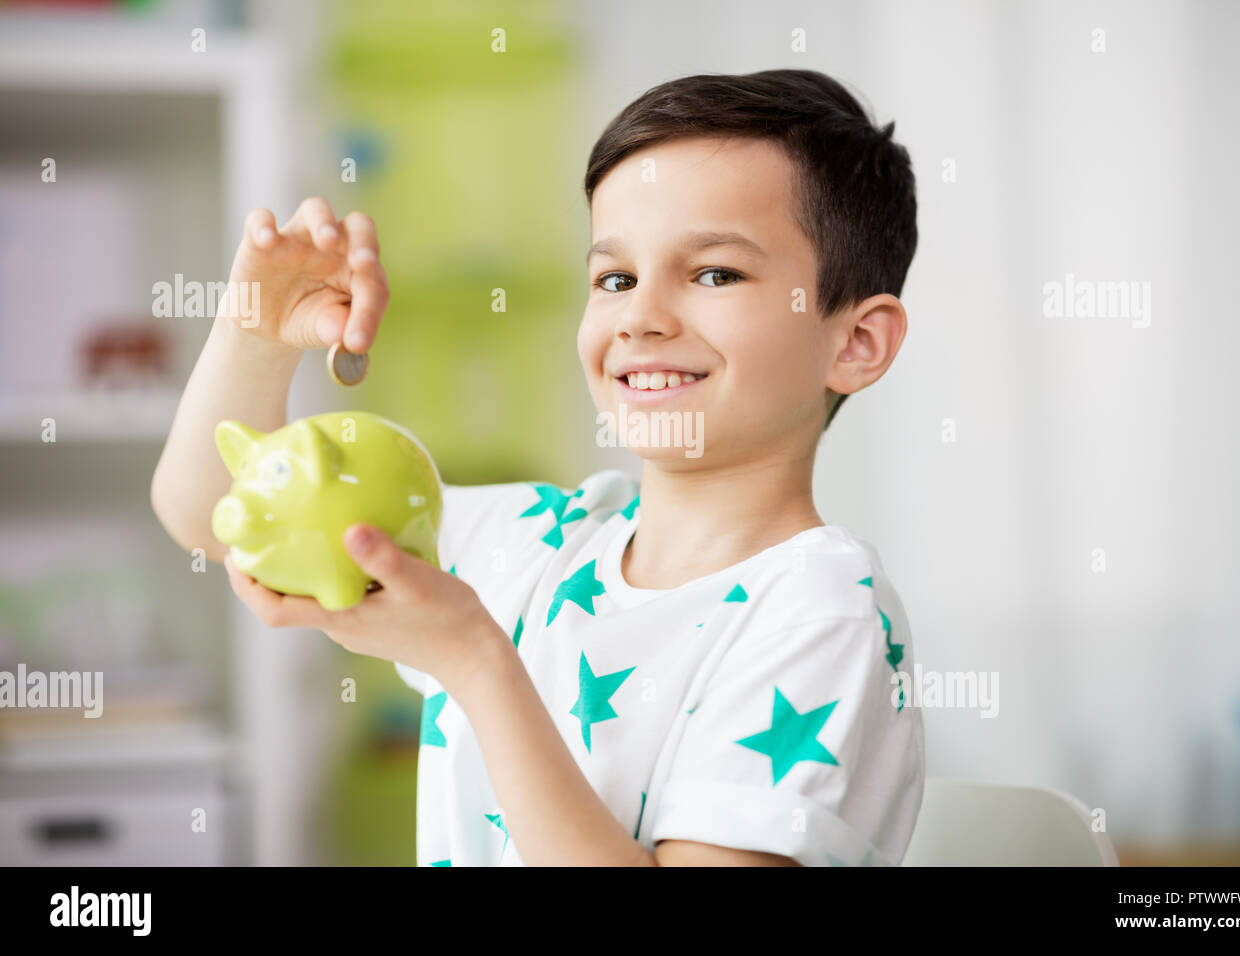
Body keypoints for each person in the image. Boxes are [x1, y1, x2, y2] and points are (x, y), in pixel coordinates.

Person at [151, 67, 923, 867]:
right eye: (615, 278)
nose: (641, 317)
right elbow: (215, 512)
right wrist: (257, 332)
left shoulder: (820, 612)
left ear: (856, 343)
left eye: (714, 274)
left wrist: (476, 661)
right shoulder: (534, 542)